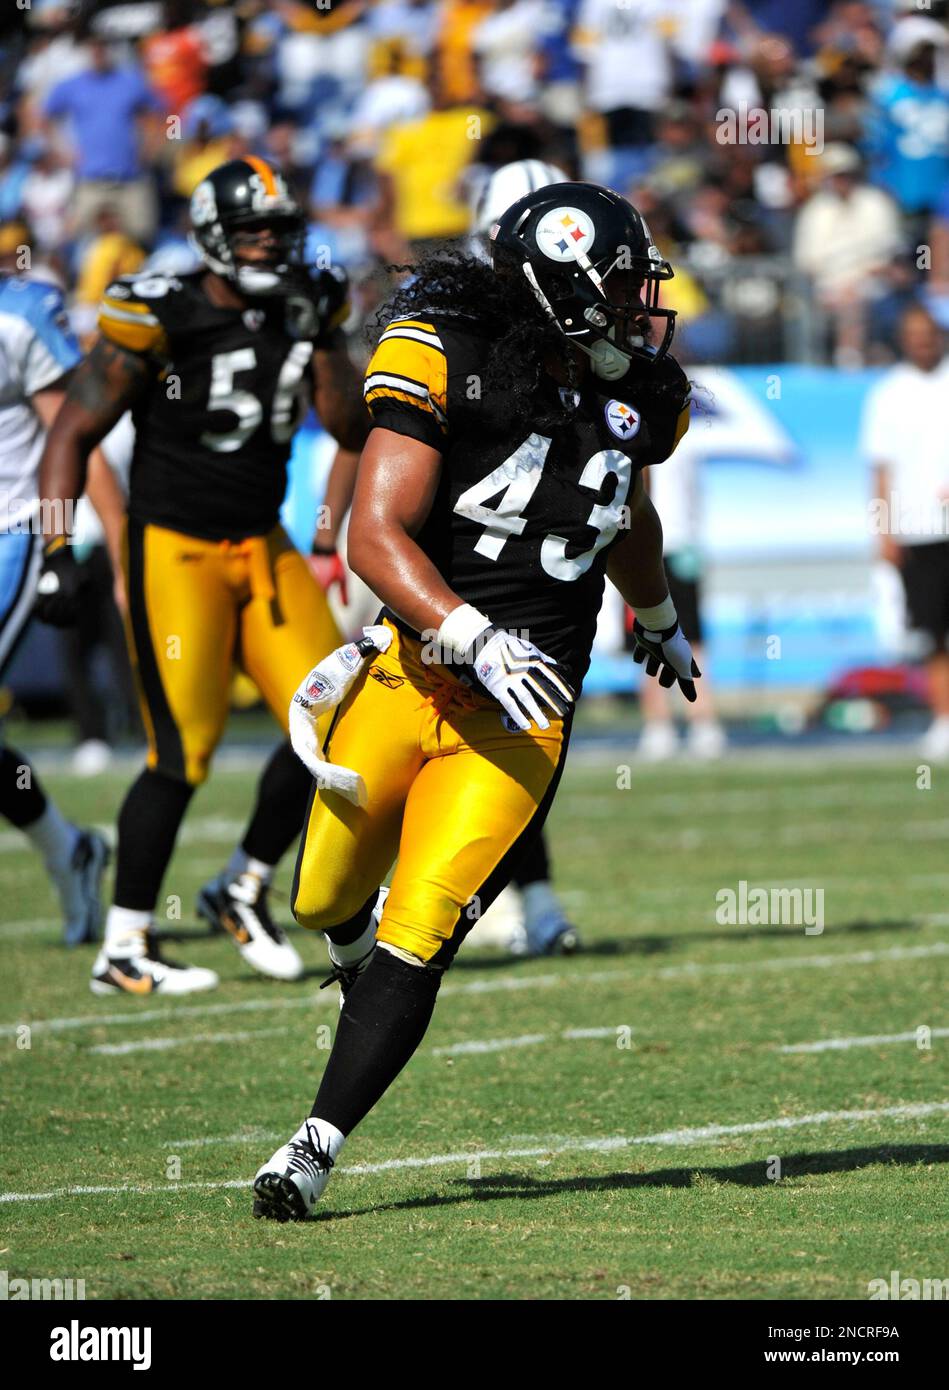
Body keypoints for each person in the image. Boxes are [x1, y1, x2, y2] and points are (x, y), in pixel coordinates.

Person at [252, 181, 698, 1221]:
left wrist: (659, 614)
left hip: (525, 710)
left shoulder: (639, 391)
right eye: (625, 282)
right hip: (415, 671)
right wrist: (473, 635)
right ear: (568, 286)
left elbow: (623, 507)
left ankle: (312, 1146)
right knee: (320, 899)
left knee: (424, 925)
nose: (642, 302)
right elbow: (375, 534)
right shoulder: (439, 352)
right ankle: (345, 952)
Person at [36, 157, 368, 994]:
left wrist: (324, 333)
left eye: (278, 229)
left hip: (263, 541)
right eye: (251, 230)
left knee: (332, 720)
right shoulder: (160, 311)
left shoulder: (311, 301)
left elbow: (345, 422)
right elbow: (70, 434)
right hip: (173, 545)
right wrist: (54, 549)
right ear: (216, 236)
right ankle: (125, 945)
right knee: (181, 752)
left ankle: (243, 883)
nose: (268, 244)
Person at [0, 270, 110, 943]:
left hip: (10, 535)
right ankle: (69, 848)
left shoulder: (19, 316)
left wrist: (88, 539)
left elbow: (74, 434)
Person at [861, 303, 949, 760]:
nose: (922, 340)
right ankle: (943, 719)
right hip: (917, 529)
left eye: (927, 332)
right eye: (913, 332)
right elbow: (880, 470)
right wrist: (884, 532)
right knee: (932, 631)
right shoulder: (888, 394)